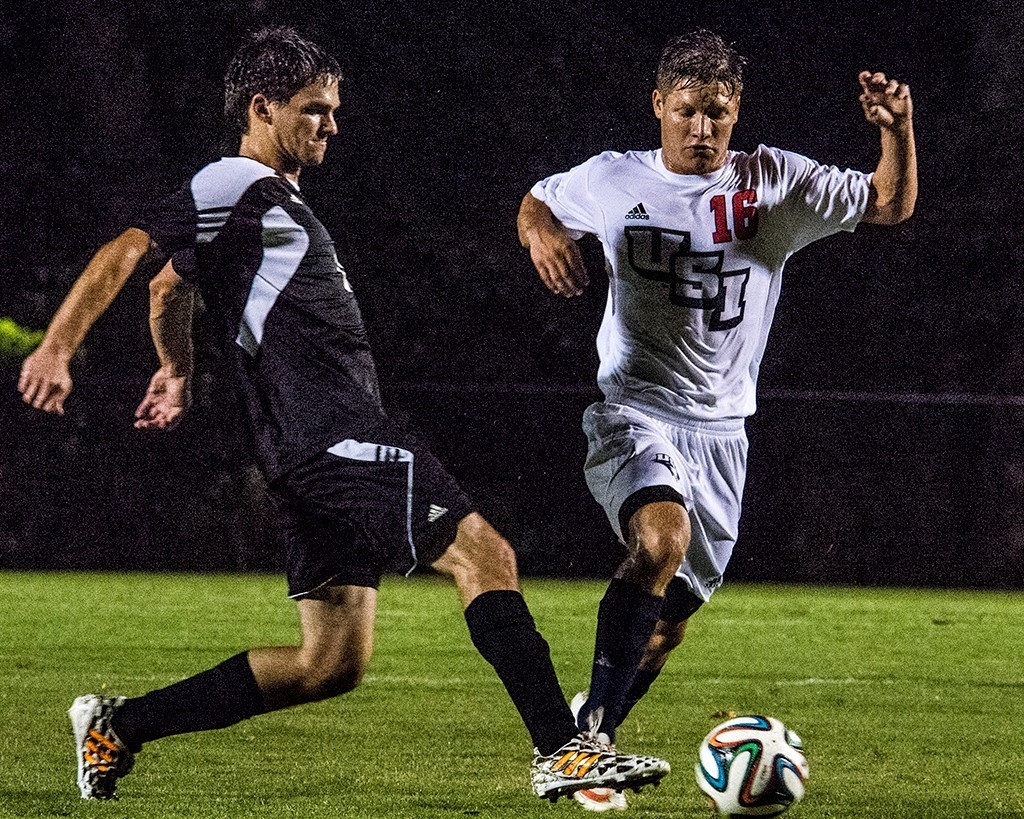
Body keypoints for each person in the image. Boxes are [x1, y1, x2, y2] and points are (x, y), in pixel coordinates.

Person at [22, 27, 670, 803]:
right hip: (331, 432)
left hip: (298, 447)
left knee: (329, 662)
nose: (331, 125)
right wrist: (59, 347)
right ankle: (564, 750)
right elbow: (127, 250)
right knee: (485, 555)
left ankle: (118, 727)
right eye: (315, 110)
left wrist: (176, 367)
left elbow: (169, 288)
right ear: (262, 108)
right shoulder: (234, 180)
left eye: (333, 111)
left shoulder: (262, 205)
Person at [517, 29, 916, 812]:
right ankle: (583, 745)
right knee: (660, 539)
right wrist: (540, 232)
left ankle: (580, 735)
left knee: (668, 625)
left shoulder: (775, 184)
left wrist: (895, 129)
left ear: (736, 114)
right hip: (634, 409)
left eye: (719, 114)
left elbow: (889, 202)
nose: (703, 129)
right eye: (689, 112)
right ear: (659, 105)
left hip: (724, 433)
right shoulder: (612, 179)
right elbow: (538, 199)